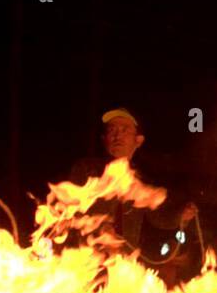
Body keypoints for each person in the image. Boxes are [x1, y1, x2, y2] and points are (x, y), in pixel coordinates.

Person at [67, 108, 201, 283]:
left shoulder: (141, 179)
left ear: (138, 140)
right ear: (104, 139)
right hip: (87, 262)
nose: (117, 136)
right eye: (112, 130)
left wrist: (180, 216)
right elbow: (69, 210)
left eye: (124, 130)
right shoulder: (86, 169)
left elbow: (158, 217)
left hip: (124, 266)